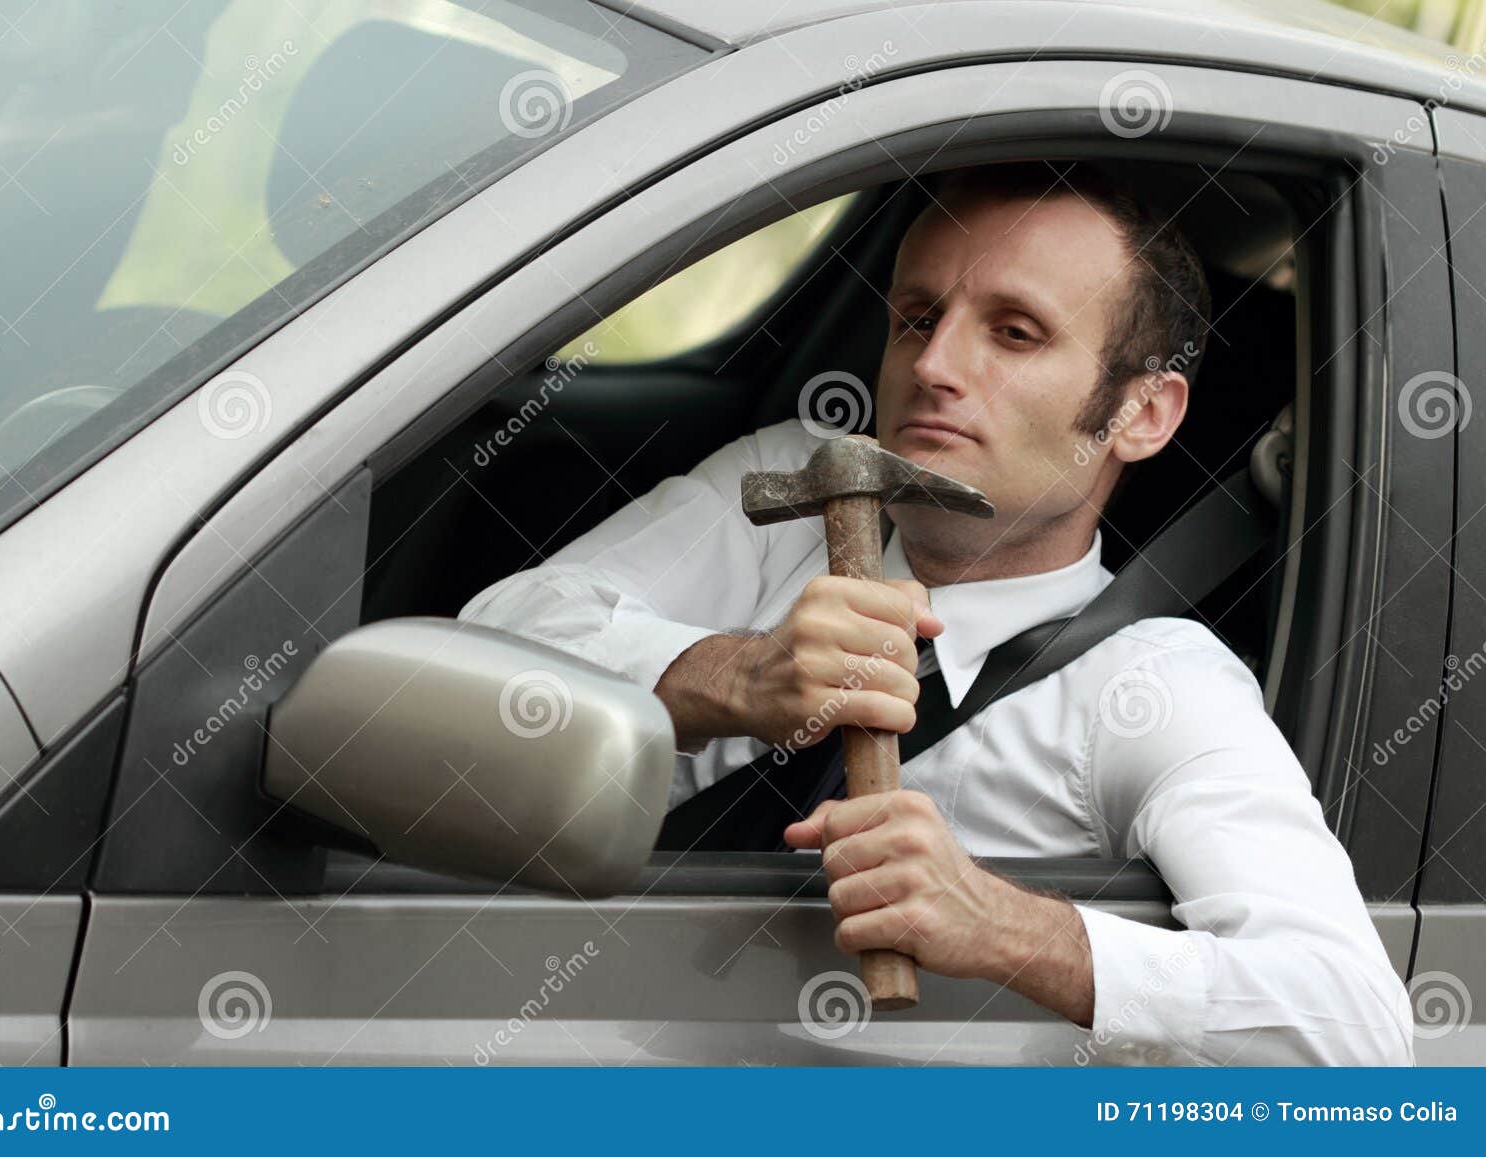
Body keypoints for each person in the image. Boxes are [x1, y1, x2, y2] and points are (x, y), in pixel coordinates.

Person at [459, 162, 1415, 1065]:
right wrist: (731, 675)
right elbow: (482, 647)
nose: (935, 364)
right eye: (917, 317)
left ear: (1144, 413)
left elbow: (1355, 1032)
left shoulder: (1155, 685)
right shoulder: (788, 484)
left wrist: (1009, 927)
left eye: (1014, 332)